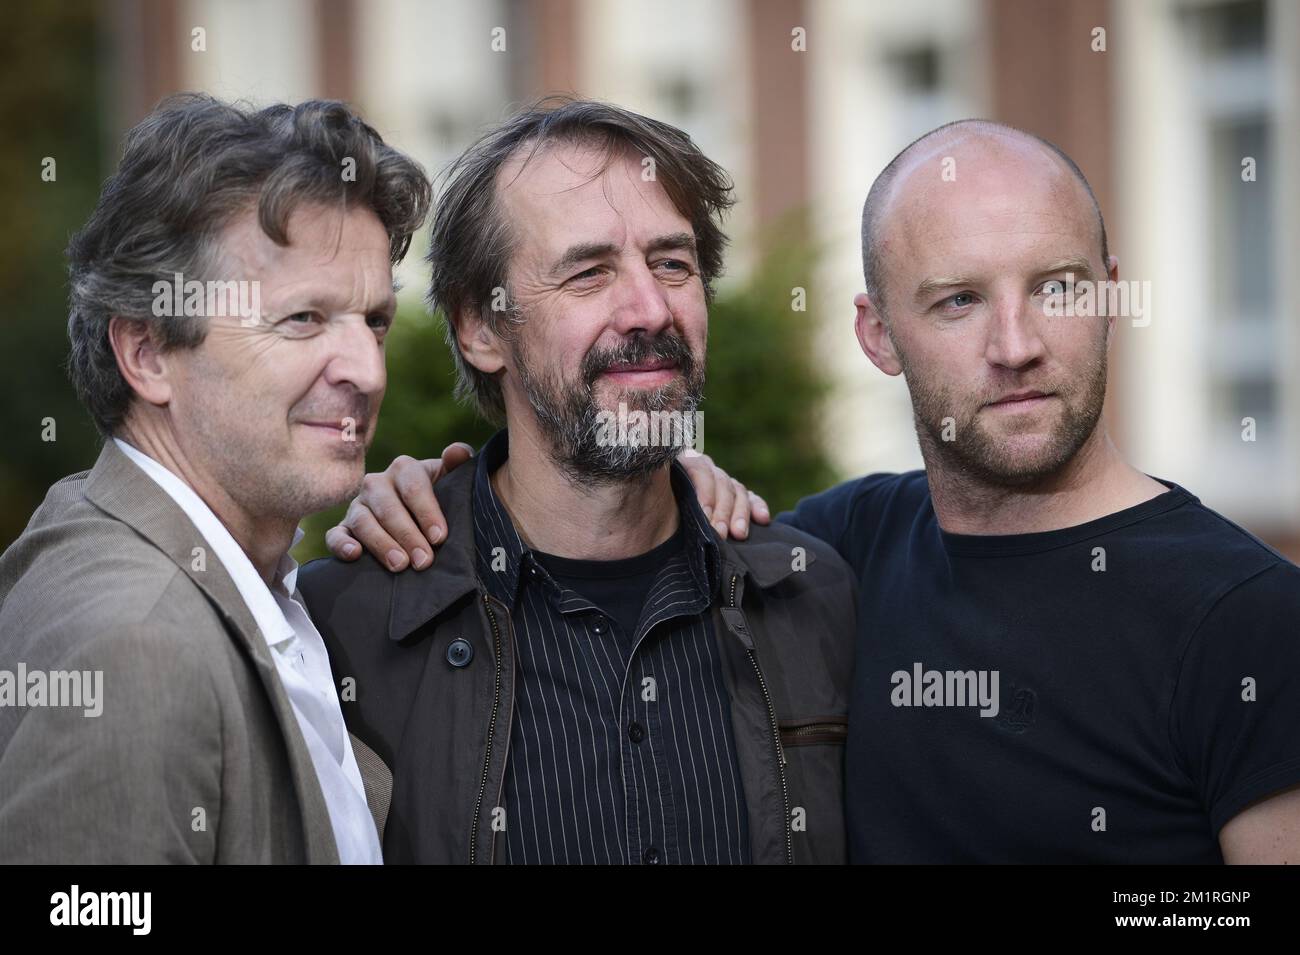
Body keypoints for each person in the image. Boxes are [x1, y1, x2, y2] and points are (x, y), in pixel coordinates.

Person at [335, 119, 1300, 864]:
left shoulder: (1250, 614)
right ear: (877, 334)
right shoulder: (841, 552)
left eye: (673, 263)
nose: (1017, 345)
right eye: (959, 300)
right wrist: (422, 494)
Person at [297, 99, 858, 864]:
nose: (649, 307)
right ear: (479, 327)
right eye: (589, 273)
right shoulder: (341, 633)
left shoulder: (811, 600)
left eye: (672, 263)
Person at [0, 93, 431, 863]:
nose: (367, 370)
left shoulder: (226, 576)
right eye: (302, 319)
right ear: (148, 352)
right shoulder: (138, 645)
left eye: (374, 320)